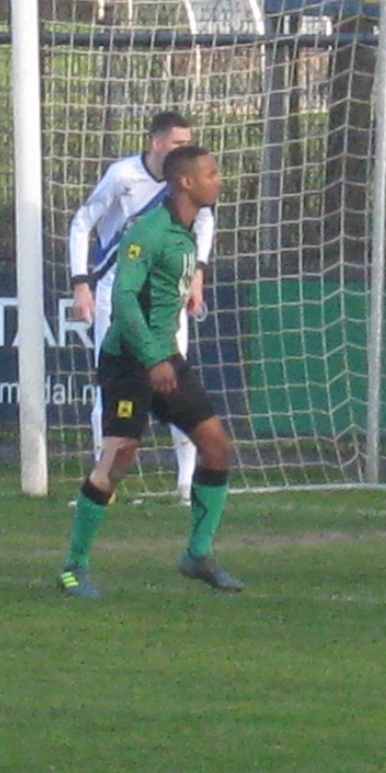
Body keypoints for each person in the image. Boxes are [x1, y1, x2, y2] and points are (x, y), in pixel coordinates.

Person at [58, 145, 242, 599]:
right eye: (212, 174)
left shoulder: (188, 231)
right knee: (118, 456)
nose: (219, 181)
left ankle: (198, 554)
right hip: (129, 361)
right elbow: (123, 300)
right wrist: (154, 359)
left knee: (216, 447)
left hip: (165, 358)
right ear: (185, 182)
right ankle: (73, 567)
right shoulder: (149, 231)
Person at [69, 111, 213, 503]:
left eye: (188, 143)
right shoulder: (122, 176)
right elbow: (83, 222)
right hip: (116, 291)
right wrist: (81, 282)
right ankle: (104, 484)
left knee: (175, 384)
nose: (185, 149)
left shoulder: (184, 182)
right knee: (110, 387)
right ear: (156, 143)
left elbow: (204, 223)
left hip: (167, 297)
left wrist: (197, 272)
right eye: (178, 143)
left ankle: (186, 484)